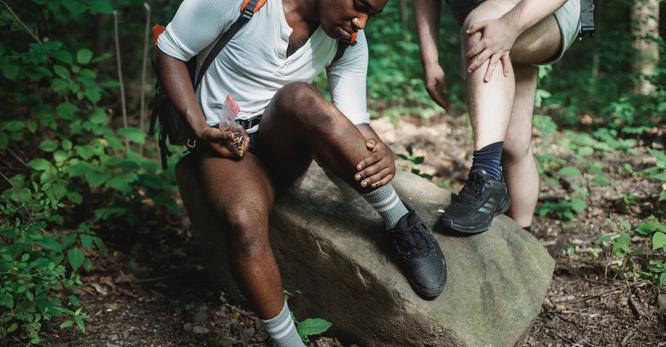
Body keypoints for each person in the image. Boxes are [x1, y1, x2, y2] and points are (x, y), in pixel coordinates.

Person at [154, 0, 446, 345]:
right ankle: (288, 341)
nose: (362, 22)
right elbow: (169, 51)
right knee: (242, 220)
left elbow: (355, 119)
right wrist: (199, 127)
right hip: (225, 148)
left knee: (300, 98)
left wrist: (379, 150)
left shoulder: (347, 38)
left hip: (284, 146)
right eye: (359, 5)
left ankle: (401, 222)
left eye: (373, 14)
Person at [413, 0, 581, 234]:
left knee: (484, 29)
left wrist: (511, 26)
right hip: (495, 16)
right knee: (513, 144)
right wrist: (430, 59)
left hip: (546, 11)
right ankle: (524, 250)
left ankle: (486, 175)